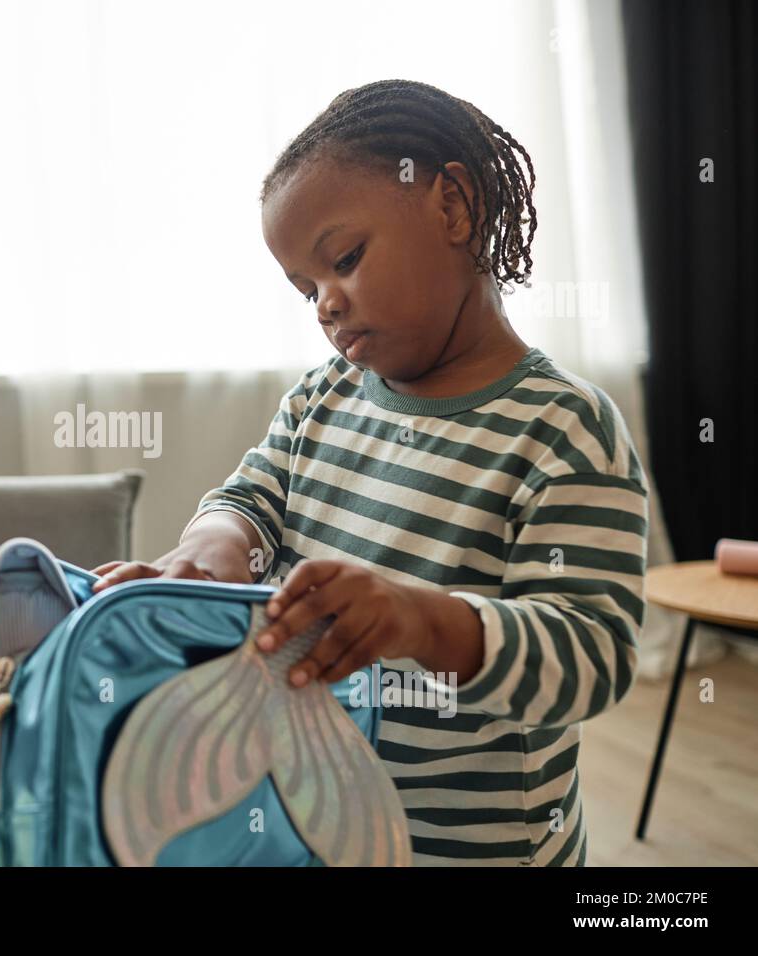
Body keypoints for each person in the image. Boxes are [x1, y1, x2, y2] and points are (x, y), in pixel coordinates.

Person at [92, 79, 649, 866]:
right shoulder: (322, 397)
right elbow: (250, 500)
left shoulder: (564, 430)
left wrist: (422, 620)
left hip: (475, 851)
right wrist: (212, 553)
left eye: (344, 260)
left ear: (451, 206)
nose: (324, 304)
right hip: (323, 826)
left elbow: (591, 653)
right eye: (305, 289)